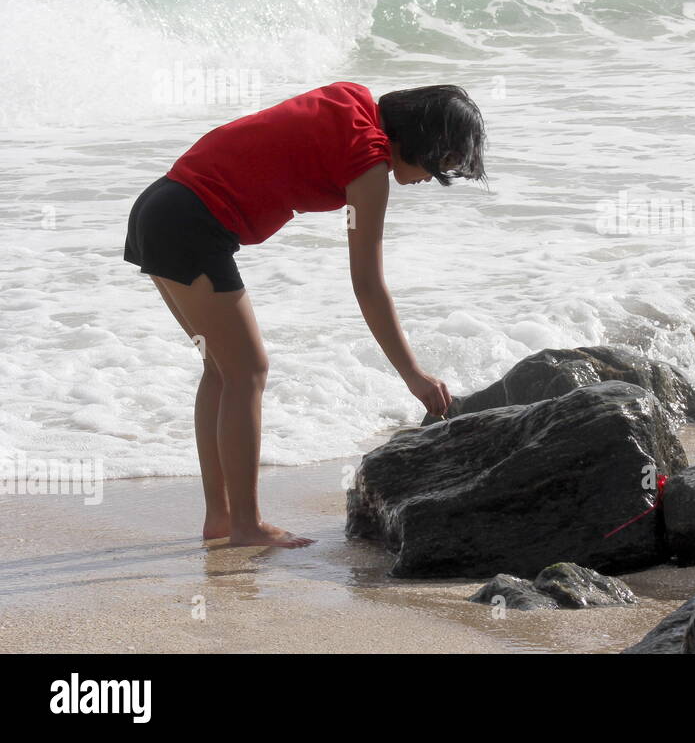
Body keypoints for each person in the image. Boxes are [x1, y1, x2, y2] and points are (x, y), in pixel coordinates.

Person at [123, 81, 487, 548]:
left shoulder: (352, 101)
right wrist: (413, 375)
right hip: (189, 225)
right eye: (440, 167)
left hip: (161, 207)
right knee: (247, 371)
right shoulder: (370, 165)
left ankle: (222, 518)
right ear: (425, 140)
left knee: (223, 370)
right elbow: (368, 284)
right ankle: (246, 527)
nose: (430, 180)